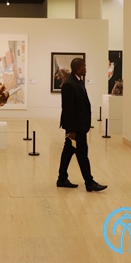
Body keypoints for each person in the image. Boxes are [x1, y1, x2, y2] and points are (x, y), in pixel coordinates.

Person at [57, 58, 107, 192]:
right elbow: (68, 109)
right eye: (84, 66)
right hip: (76, 128)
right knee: (82, 154)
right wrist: (71, 130)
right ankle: (89, 182)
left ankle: (62, 179)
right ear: (78, 68)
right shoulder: (69, 84)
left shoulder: (78, 81)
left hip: (79, 126)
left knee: (68, 152)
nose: (86, 68)